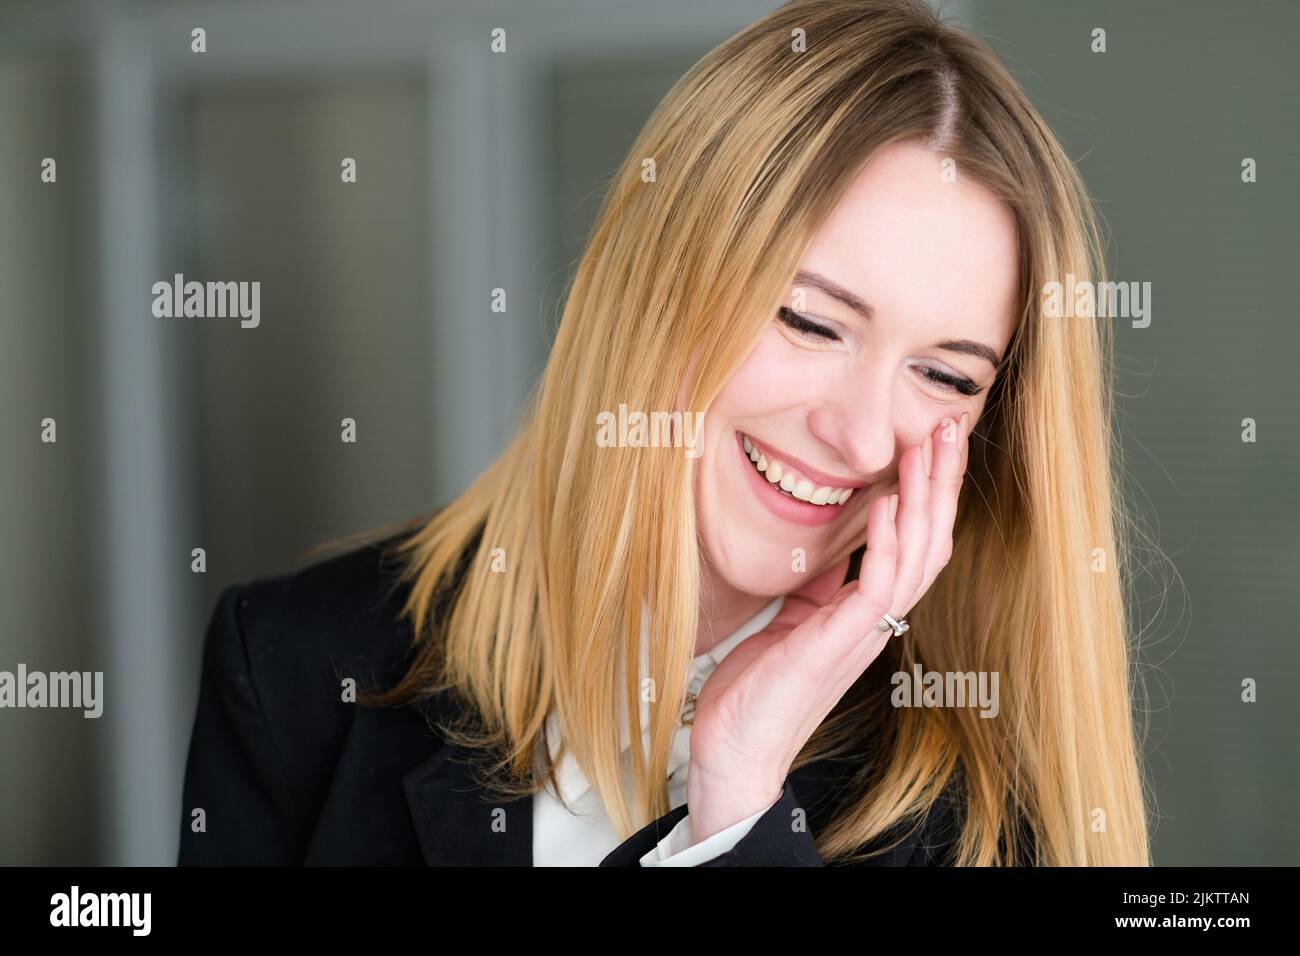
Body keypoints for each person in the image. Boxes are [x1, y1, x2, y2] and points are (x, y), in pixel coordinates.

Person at [179, 0, 1151, 866]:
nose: (858, 438)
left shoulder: (980, 816)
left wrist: (734, 808)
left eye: (944, 374)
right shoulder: (295, 666)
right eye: (809, 320)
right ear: (660, 280)